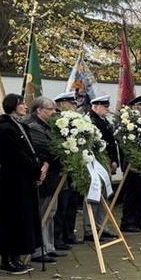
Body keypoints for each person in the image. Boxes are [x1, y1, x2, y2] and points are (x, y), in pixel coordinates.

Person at [0, 94, 45, 275]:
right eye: (21, 104)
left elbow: (30, 151)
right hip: (14, 181)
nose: (25, 106)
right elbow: (17, 156)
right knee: (12, 219)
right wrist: (35, 169)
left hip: (25, 180)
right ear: (13, 106)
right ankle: (7, 260)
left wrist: (37, 168)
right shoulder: (6, 128)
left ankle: (16, 256)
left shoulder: (20, 125)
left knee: (23, 219)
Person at [26, 97, 66, 264]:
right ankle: (38, 249)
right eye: (50, 109)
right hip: (43, 178)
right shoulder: (34, 127)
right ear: (39, 110)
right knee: (42, 212)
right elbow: (47, 149)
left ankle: (49, 246)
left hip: (53, 177)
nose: (53, 112)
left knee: (51, 212)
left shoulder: (49, 126)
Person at [84, 96, 117, 242]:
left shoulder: (104, 121)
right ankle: (90, 228)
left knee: (104, 195)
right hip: (94, 163)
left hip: (105, 162)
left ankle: (102, 226)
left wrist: (114, 160)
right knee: (94, 194)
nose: (108, 109)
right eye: (105, 106)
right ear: (95, 106)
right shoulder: (89, 121)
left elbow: (111, 142)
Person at [51, 91, 79, 247]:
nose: (74, 106)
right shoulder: (58, 121)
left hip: (73, 168)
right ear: (62, 104)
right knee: (61, 205)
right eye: (71, 103)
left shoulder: (75, 120)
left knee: (71, 204)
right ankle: (57, 236)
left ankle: (69, 233)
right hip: (61, 170)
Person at [119, 94, 141, 232]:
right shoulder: (126, 123)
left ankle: (138, 219)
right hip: (131, 161)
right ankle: (127, 221)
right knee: (131, 192)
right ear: (134, 107)